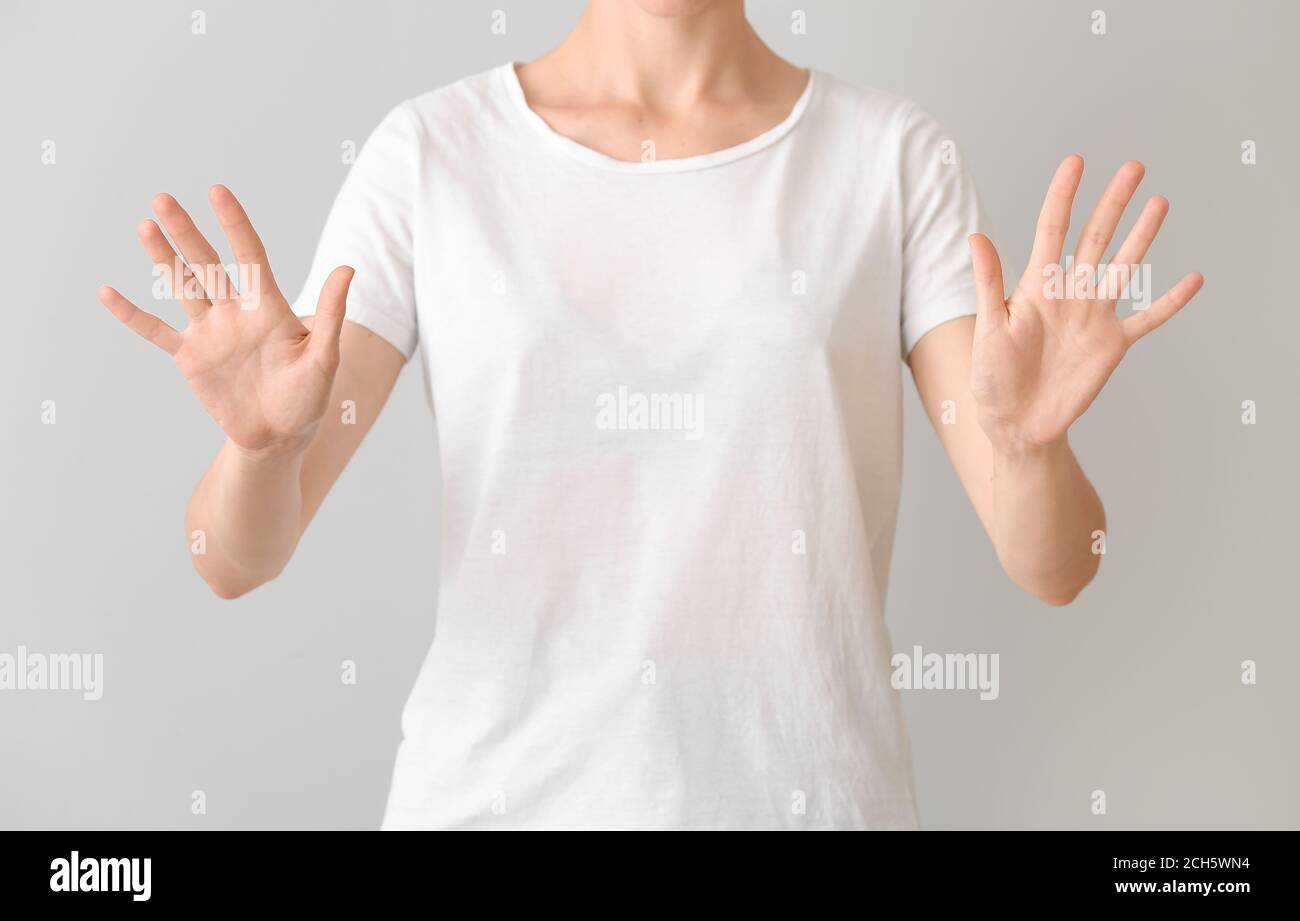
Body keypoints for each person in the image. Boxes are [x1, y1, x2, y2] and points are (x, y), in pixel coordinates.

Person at [96, 0, 1203, 829]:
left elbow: (1051, 563)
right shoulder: (429, 155)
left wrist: (1027, 446)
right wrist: (260, 449)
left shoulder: (891, 158)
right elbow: (237, 559)